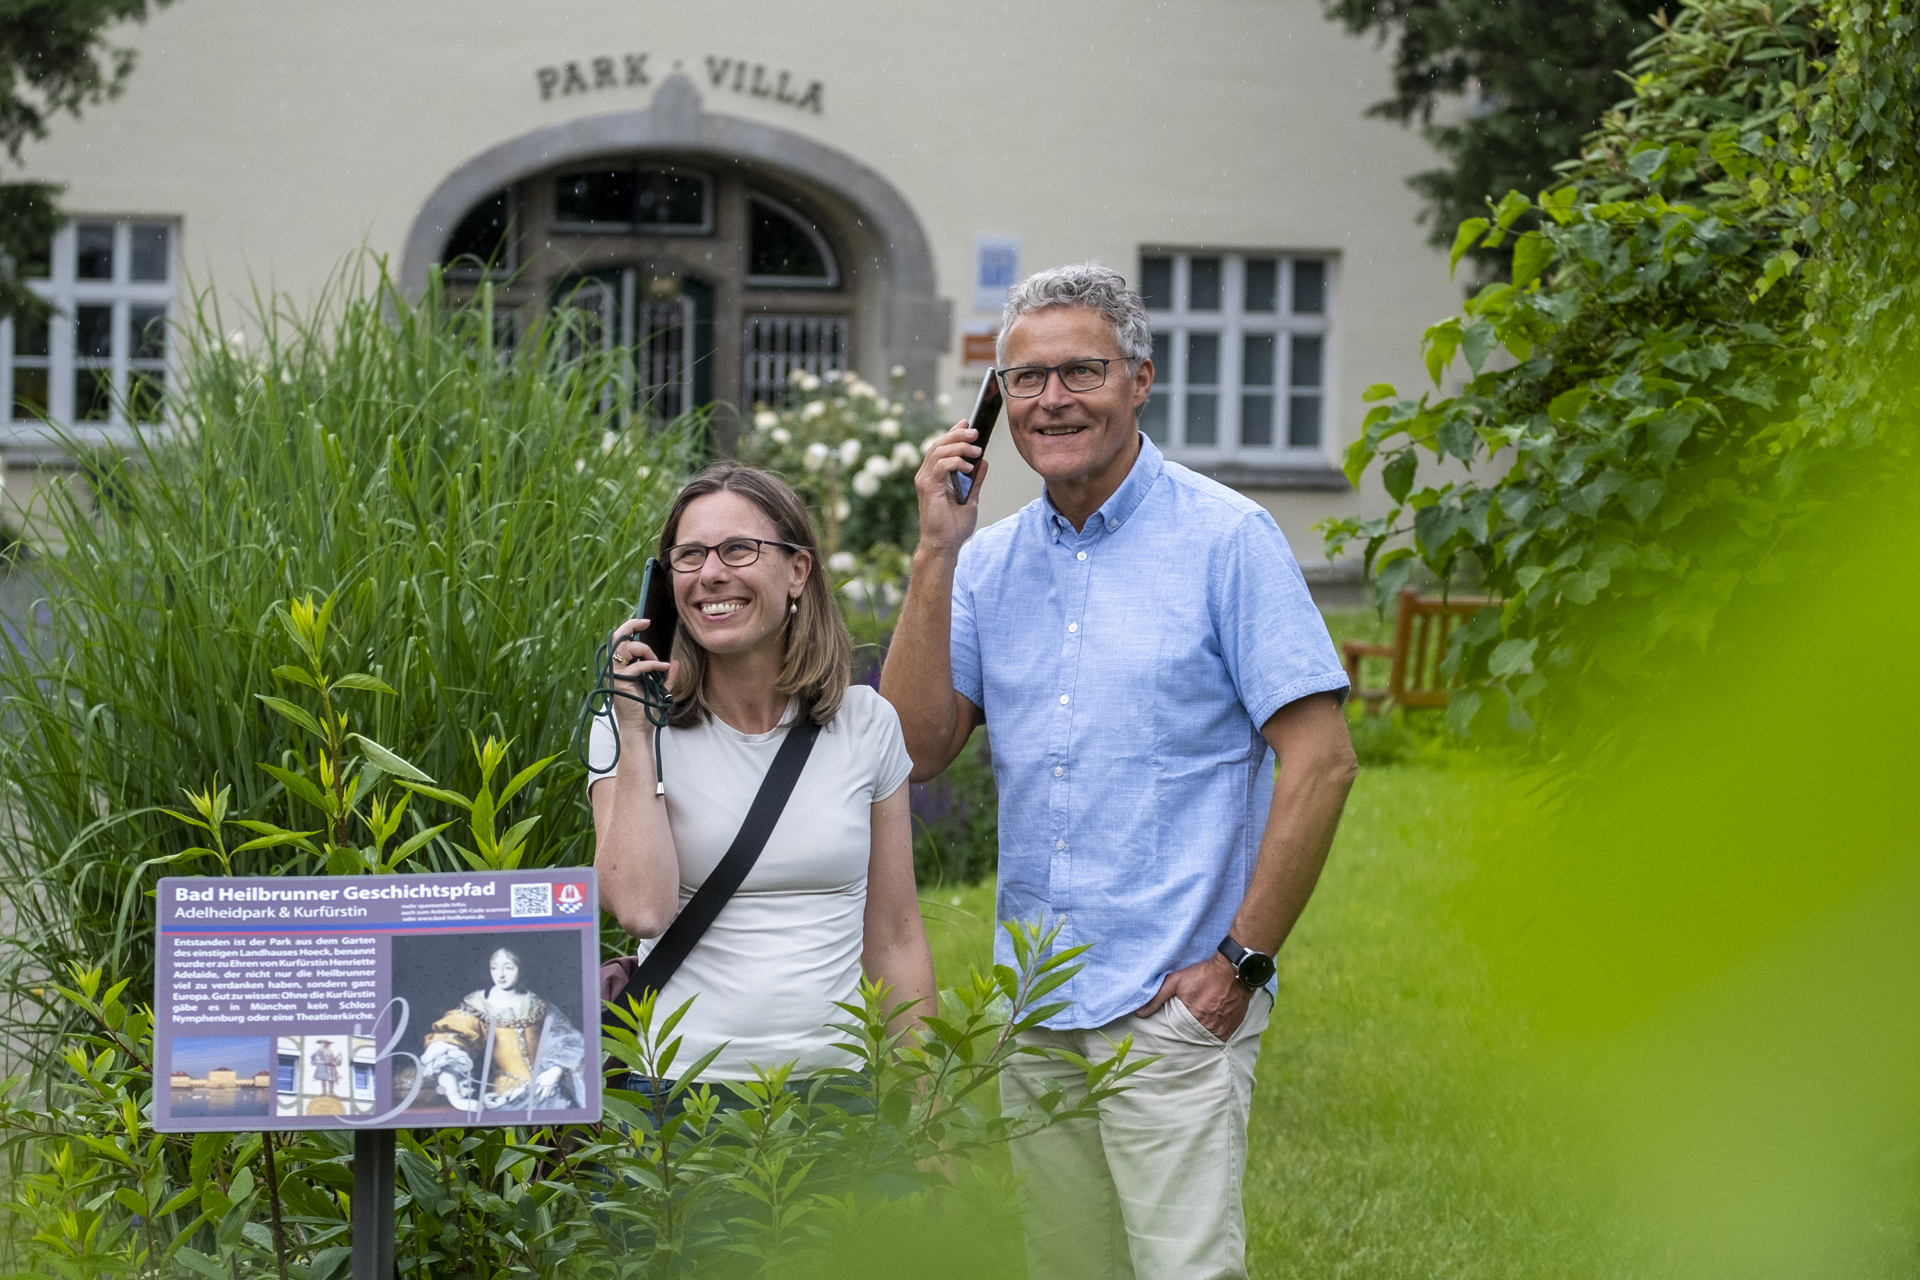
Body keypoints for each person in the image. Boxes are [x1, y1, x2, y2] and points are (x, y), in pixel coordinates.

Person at [880, 263, 1359, 1279]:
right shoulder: (988, 562)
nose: (1052, 400)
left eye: (1081, 371)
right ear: (993, 402)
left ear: (1140, 378)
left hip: (1173, 1002)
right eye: (1025, 380)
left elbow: (1322, 762)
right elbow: (916, 748)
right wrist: (934, 553)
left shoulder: (1228, 539)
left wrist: (1240, 963)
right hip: (1037, 1004)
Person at [590, 462, 934, 1094]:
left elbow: (894, 936)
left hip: (835, 1099)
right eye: (688, 556)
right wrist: (637, 735)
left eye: (739, 550)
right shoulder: (630, 726)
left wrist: (929, 1109)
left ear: (798, 569)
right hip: (674, 1102)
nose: (712, 574)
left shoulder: (866, 723)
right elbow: (641, 910)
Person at [420, 945, 588, 1112]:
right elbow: (445, 1046)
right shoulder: (476, 1008)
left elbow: (570, 1042)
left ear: (521, 969)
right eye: (494, 967)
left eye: (508, 967)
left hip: (548, 1091)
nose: (500, 974)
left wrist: (555, 1071)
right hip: (502, 1098)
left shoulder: (541, 1006)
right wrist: (456, 1097)